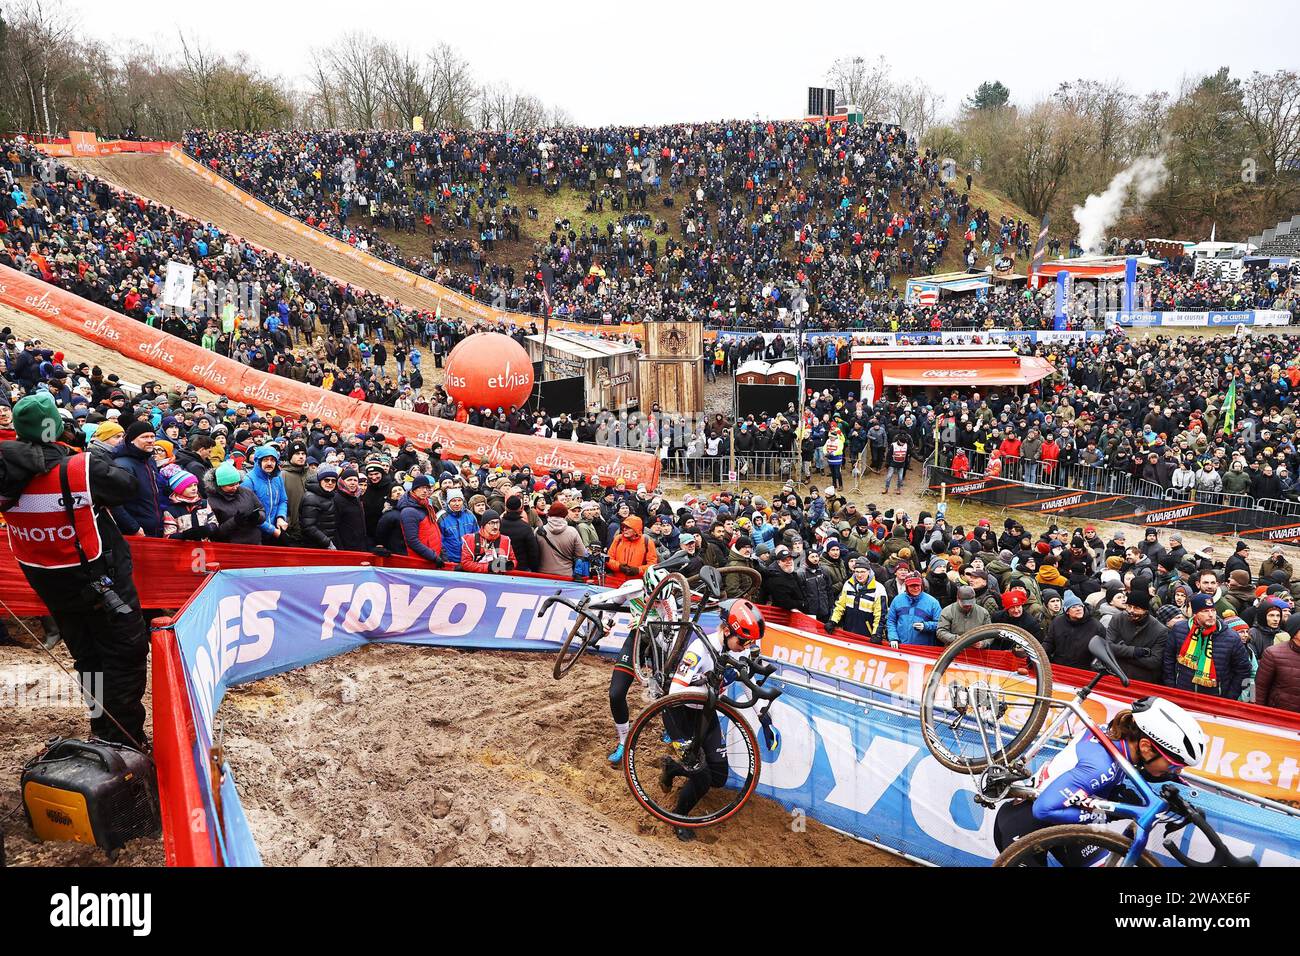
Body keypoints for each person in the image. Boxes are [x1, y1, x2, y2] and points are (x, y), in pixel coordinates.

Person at [0, 392, 150, 746]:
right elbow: (128, 486)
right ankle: (125, 740)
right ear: (55, 427)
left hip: (51, 584)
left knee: (88, 660)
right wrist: (90, 455)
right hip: (102, 580)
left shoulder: (6, 473)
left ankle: (101, 728)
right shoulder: (79, 467)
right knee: (125, 658)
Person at [993, 697, 1207, 866]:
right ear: (1145, 747)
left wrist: (1185, 798)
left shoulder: (1118, 739)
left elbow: (1150, 771)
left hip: (1061, 824)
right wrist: (1105, 813)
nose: (1177, 770)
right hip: (1026, 825)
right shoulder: (1101, 768)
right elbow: (1044, 809)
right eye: (1172, 764)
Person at [663, 598, 770, 842]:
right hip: (681, 714)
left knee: (719, 777)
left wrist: (764, 717)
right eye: (742, 640)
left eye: (749, 642)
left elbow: (745, 688)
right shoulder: (700, 649)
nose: (744, 646)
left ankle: (672, 768)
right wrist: (708, 687)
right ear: (727, 630)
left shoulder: (728, 651)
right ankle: (679, 818)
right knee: (702, 776)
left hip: (705, 714)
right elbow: (674, 693)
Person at [1164, 593, 1252, 698]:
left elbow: (1243, 669)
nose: (1211, 615)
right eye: (1205, 611)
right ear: (1195, 614)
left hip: (1216, 700)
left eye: (1213, 610)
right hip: (1183, 695)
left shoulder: (1231, 637)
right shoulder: (1179, 629)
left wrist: (1230, 697)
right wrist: (1172, 687)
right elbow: (1168, 659)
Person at [1104, 589, 1167, 686]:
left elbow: (1154, 662)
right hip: (1116, 676)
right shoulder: (1118, 619)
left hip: (1142, 682)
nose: (1131, 611)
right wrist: (1135, 652)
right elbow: (1108, 647)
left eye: (1137, 608)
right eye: (1129, 606)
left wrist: (1120, 653)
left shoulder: (1160, 630)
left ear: (1146, 610)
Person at [1042, 590, 1106, 670]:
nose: (1078, 609)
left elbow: (1102, 652)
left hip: (1084, 671)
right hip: (1059, 667)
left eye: (1080, 606)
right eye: (1074, 607)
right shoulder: (1057, 622)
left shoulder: (1096, 626)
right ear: (1067, 611)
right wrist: (1039, 656)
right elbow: (1049, 642)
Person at [826, 558, 887, 641]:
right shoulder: (848, 584)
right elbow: (840, 605)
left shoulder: (879, 589)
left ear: (869, 571)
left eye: (862, 572)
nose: (859, 575)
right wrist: (833, 621)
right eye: (857, 572)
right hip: (848, 631)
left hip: (867, 635)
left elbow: (880, 615)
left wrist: (877, 633)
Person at [207, 461, 265, 545]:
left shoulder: (247, 492)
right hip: (230, 546)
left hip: (254, 542)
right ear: (220, 485)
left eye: (237, 483)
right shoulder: (212, 502)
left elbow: (261, 509)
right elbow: (215, 533)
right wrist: (234, 522)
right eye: (230, 485)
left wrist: (258, 517)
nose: (235, 487)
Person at [242, 445, 290, 544]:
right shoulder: (249, 481)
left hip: (276, 530)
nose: (269, 463)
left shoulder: (278, 478)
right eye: (265, 460)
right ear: (258, 462)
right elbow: (249, 513)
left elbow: (283, 500)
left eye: (272, 460)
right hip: (255, 534)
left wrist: (280, 517)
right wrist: (272, 530)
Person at [393, 475, 443, 565]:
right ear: (414, 489)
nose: (425, 491)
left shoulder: (425, 505)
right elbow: (412, 541)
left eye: (427, 488)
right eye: (421, 487)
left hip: (431, 557)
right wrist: (433, 556)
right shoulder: (409, 511)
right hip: (421, 561)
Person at [886, 571, 942, 646]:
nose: (915, 588)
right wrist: (893, 638)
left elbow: (940, 624)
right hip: (901, 646)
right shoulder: (897, 600)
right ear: (906, 586)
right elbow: (891, 621)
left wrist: (926, 626)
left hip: (922, 649)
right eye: (912, 586)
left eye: (918, 585)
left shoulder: (933, 602)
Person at [535, 501, 588, 579]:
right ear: (565, 514)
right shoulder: (572, 532)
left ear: (549, 514)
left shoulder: (538, 531)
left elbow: (533, 553)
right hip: (565, 575)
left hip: (543, 575)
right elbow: (581, 554)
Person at [1255, 627, 1300, 712]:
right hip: (1280, 714)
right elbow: (1260, 687)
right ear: (1294, 633)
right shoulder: (1273, 653)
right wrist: (1257, 713)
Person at [437, 487, 479, 564]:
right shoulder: (441, 517)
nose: (457, 504)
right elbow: (439, 541)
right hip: (450, 561)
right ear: (448, 502)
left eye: (459, 500)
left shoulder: (470, 515)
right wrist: (445, 560)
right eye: (453, 501)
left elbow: (477, 536)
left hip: (469, 560)